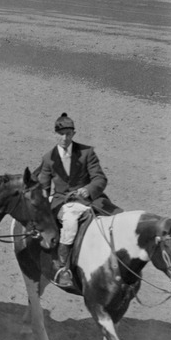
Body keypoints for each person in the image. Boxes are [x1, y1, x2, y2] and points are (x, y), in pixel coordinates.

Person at [35, 112, 114, 288]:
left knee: (116, 219)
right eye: (61, 134)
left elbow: (100, 179)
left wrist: (88, 190)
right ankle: (64, 268)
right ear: (54, 134)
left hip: (90, 200)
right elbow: (44, 188)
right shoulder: (48, 158)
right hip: (63, 203)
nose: (64, 138)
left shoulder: (87, 152)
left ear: (73, 134)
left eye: (68, 134)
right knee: (70, 221)